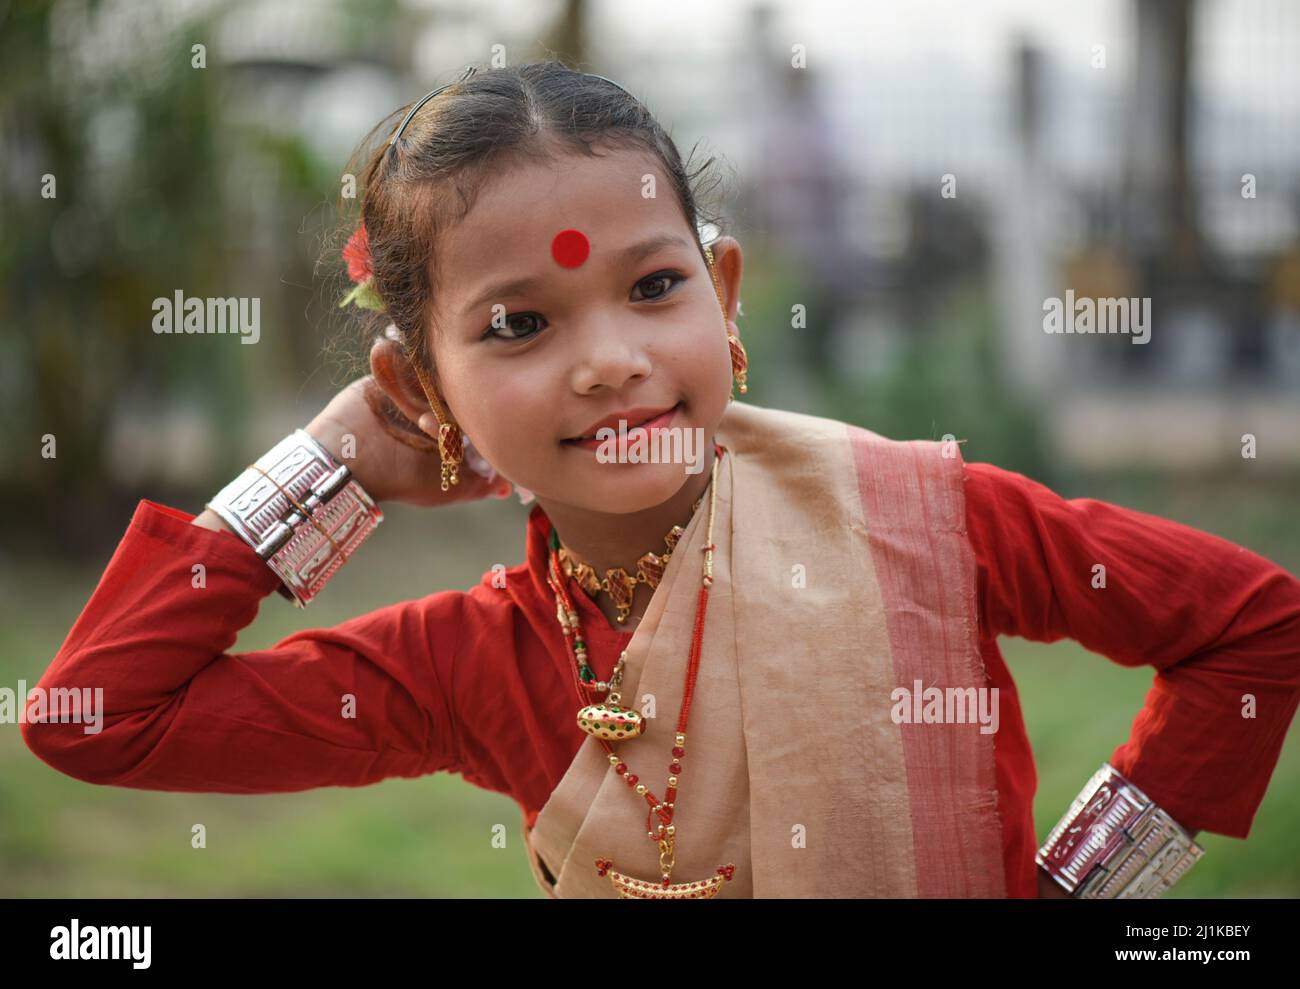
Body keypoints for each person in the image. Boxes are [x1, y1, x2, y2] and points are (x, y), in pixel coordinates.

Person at [21, 62, 1300, 899]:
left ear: (723, 292)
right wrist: (330, 464)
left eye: (651, 286)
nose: (613, 362)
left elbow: (1252, 626)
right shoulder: (473, 664)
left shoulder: (933, 519)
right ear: (421, 385)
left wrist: (1083, 890)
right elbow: (93, 718)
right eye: (518, 325)